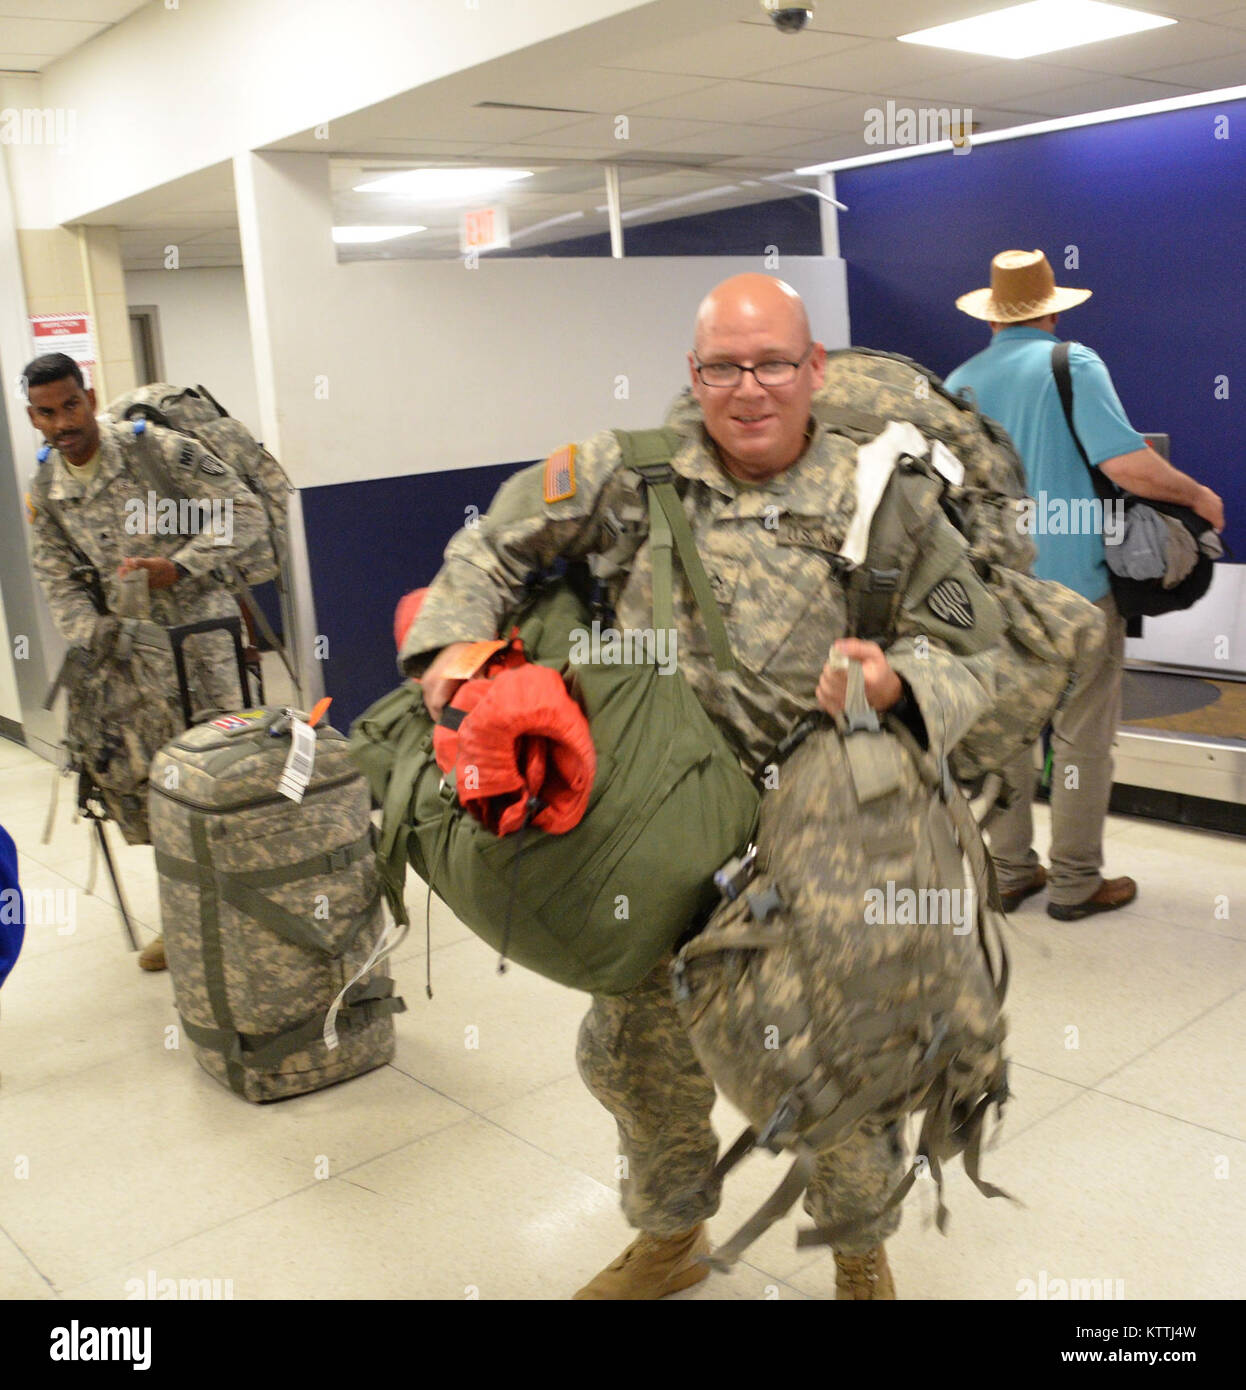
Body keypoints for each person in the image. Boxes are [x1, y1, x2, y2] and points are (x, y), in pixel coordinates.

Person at [400, 274, 1001, 1300]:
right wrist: (453, 651)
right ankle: (672, 1233)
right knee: (636, 1052)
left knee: (834, 1064)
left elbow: (975, 649)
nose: (749, 388)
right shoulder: (631, 472)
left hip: (812, 834)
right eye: (724, 365)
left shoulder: (884, 496)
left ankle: (859, 1254)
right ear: (694, 373)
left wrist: (899, 680)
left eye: (772, 362)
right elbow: (488, 544)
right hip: (654, 819)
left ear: (813, 369)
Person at [945, 250, 1224, 921]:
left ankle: (1010, 870)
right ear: (1051, 305)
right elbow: (1128, 466)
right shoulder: (1072, 363)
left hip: (990, 590)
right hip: (1074, 586)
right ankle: (1075, 882)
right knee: (1080, 736)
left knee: (1006, 729)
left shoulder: (957, 382)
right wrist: (1200, 497)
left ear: (990, 314)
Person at [23, 352, 265, 970]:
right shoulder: (46, 490)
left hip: (201, 645)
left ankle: (258, 909)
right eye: (47, 413)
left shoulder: (159, 449)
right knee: (158, 787)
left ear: (88, 395)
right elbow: (57, 581)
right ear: (33, 417)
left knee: (225, 774)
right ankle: (187, 922)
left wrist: (179, 566)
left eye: (70, 405)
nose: (62, 422)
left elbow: (245, 510)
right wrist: (94, 634)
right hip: (128, 661)